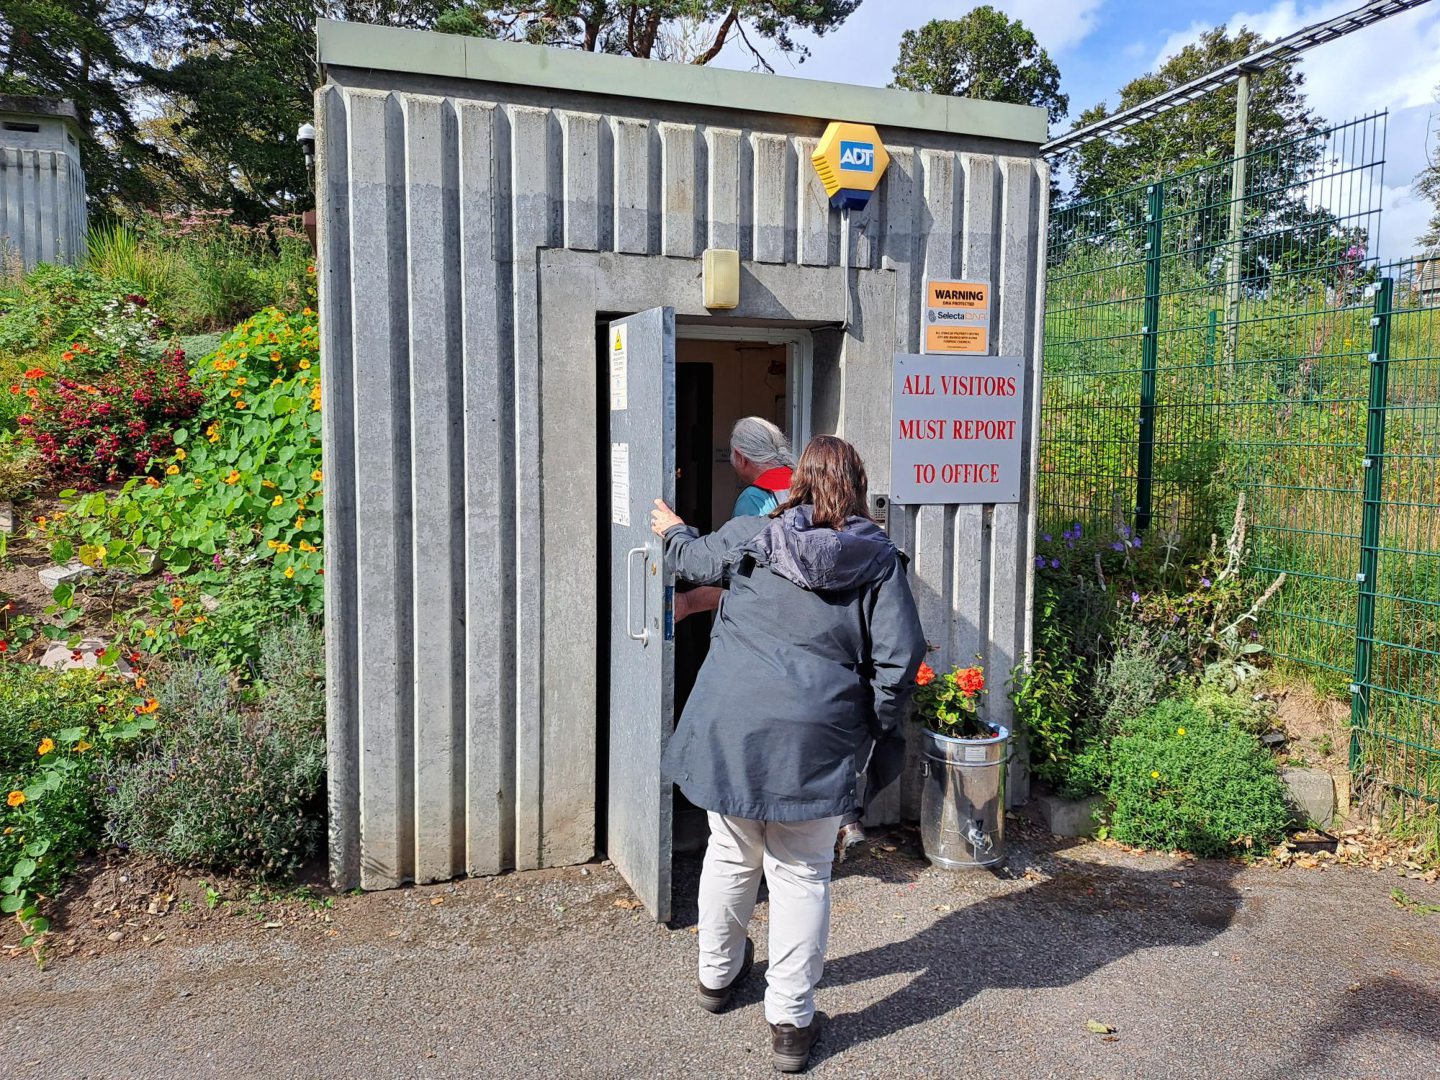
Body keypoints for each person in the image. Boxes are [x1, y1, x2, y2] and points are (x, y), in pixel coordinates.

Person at [650, 435, 927, 1073]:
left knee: (729, 849)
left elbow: (693, 559)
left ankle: (717, 979)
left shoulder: (756, 533)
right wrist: (873, 724)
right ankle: (791, 1024)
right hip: (818, 735)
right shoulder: (878, 560)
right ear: (856, 486)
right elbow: (900, 658)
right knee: (802, 873)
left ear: (798, 482)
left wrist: (671, 530)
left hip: (735, 724)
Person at [673, 416, 794, 624]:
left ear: (741, 458)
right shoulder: (805, 483)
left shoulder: (753, 498)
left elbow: (736, 572)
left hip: (765, 618)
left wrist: (688, 602)